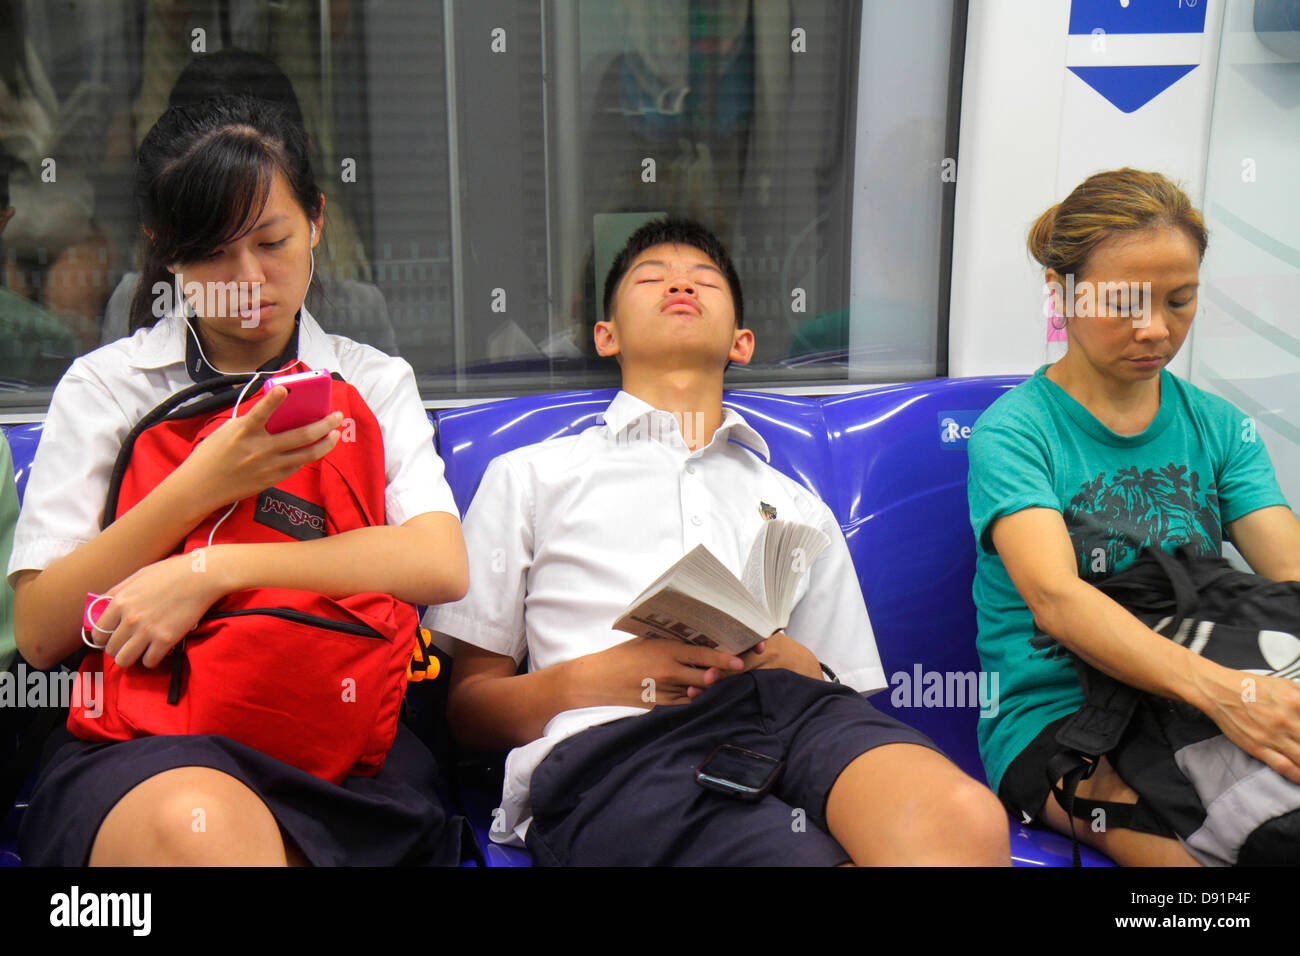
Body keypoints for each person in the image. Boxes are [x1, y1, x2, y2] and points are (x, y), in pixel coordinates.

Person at [429, 216, 1010, 866]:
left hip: (793, 716)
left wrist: (801, 666)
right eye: (652, 277)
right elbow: (469, 714)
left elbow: (843, 690)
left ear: (741, 341)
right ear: (605, 334)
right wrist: (595, 679)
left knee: (965, 823)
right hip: (618, 743)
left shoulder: (798, 506)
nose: (680, 284)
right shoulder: (533, 477)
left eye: (703, 279)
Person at [7, 94, 469, 866]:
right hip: (145, 740)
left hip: (340, 739)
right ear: (166, 250)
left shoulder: (369, 378)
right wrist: (199, 485)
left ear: (317, 222)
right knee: (201, 827)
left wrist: (211, 568)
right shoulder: (109, 386)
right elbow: (43, 631)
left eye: (273, 241)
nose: (248, 279)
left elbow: (437, 562)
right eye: (213, 252)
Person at [968, 168, 1300, 866]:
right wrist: (1229, 697)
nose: (1155, 329)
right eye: (1125, 303)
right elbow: (1058, 601)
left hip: (1205, 675)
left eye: (1180, 301)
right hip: (1060, 713)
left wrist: (1241, 693)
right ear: (1062, 294)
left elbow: (1290, 571)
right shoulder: (1017, 434)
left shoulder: (1217, 426)